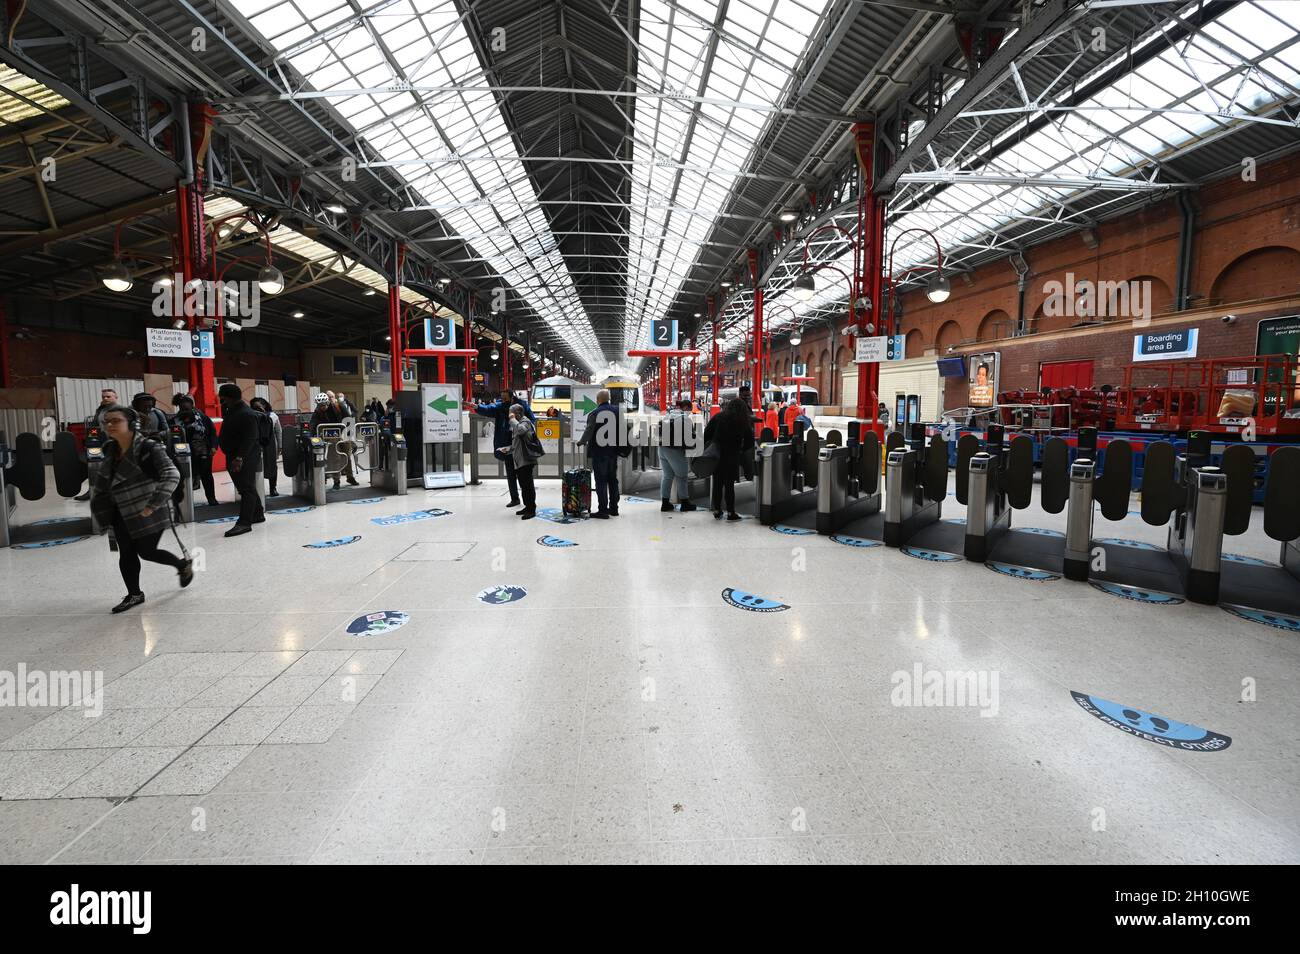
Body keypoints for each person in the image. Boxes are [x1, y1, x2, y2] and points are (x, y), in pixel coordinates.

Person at [90, 405, 192, 613]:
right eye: (106, 421)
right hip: (119, 510)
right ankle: (134, 594)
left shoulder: (149, 447)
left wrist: (152, 505)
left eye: (116, 420)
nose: (110, 425)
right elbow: (105, 480)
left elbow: (172, 475)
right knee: (126, 552)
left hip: (148, 510)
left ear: (132, 423)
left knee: (146, 552)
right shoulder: (110, 448)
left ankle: (182, 565)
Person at [472, 388, 536, 507]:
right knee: (511, 473)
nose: (503, 400)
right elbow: (489, 409)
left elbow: (532, 421)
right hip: (506, 444)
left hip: (521, 445)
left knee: (524, 476)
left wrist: (523, 430)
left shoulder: (522, 407)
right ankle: (515, 498)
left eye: (505, 397)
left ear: (512, 397)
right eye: (502, 397)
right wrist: (476, 407)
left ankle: (529, 504)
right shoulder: (500, 407)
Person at [217, 383, 264, 536]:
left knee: (246, 489)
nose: (220, 400)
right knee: (247, 487)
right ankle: (257, 514)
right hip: (236, 455)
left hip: (244, 456)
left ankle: (244, 523)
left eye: (221, 397)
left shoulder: (246, 413)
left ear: (228, 397)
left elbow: (250, 438)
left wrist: (239, 458)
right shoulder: (234, 411)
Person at [702, 398, 755, 521]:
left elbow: (706, 433)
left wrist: (712, 444)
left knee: (717, 482)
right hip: (732, 456)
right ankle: (731, 512)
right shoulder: (742, 420)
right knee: (729, 484)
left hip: (717, 455)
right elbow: (749, 441)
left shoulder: (719, 417)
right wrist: (741, 449)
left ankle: (717, 510)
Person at [577, 389, 621, 519]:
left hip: (599, 452)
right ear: (608, 399)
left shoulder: (595, 413)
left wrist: (581, 442)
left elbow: (589, 430)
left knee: (601, 481)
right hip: (613, 452)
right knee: (613, 480)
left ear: (598, 400)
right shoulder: (618, 411)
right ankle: (614, 508)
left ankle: (602, 510)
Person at [174, 394, 219, 507]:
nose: (185, 407)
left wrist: (214, 447)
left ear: (192, 405)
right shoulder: (175, 420)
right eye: (182, 405)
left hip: (203, 450)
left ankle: (211, 498)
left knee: (206, 475)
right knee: (185, 477)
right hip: (184, 453)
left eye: (187, 404)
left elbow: (212, 432)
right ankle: (185, 503)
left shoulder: (202, 417)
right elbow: (173, 436)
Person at [76, 388, 120, 500]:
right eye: (103, 397)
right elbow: (94, 428)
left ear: (116, 397)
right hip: (101, 444)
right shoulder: (100, 411)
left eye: (108, 396)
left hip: (117, 445)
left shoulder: (123, 411)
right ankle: (92, 491)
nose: (105, 398)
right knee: (94, 468)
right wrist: (91, 441)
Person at [658, 398, 697, 513]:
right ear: (686, 407)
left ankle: (665, 503)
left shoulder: (669, 415)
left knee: (667, 476)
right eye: (689, 410)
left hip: (662, 448)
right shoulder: (685, 418)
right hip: (675, 450)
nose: (690, 412)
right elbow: (690, 437)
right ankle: (685, 502)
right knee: (682, 476)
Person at [508, 404, 538, 519]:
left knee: (527, 485)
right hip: (520, 458)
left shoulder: (525, 422)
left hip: (526, 459)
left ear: (518, 414)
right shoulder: (519, 422)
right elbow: (518, 440)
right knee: (523, 484)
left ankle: (531, 509)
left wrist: (513, 420)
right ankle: (527, 506)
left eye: (511, 413)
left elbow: (521, 431)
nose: (509, 416)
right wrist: (509, 448)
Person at [249, 397, 282, 497]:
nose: (257, 408)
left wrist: (280, 446)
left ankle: (273, 488)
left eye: (259, 406)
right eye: (254, 406)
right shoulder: (250, 416)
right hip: (256, 444)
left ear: (265, 405)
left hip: (270, 445)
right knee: (256, 467)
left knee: (272, 466)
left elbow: (278, 432)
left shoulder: (273, 416)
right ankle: (257, 489)